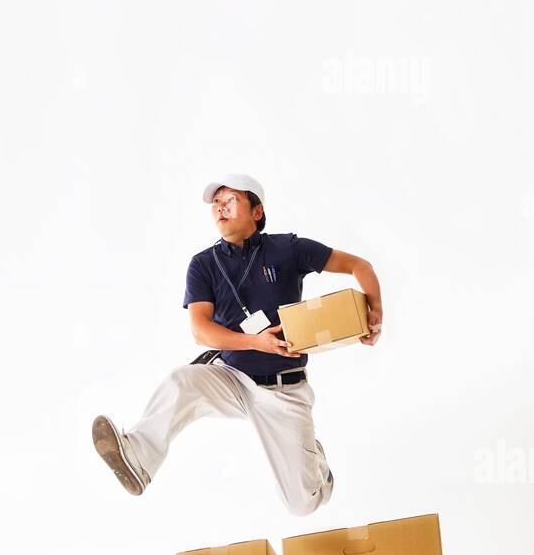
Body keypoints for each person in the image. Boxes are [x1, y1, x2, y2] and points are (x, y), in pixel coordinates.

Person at [92, 172, 382, 514]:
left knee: (302, 505)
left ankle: (316, 466)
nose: (220, 209)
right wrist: (255, 342)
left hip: (285, 390)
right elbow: (201, 330)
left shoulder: (288, 249)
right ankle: (138, 456)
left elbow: (358, 266)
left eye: (230, 201)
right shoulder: (203, 265)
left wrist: (373, 313)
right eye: (216, 203)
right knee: (181, 380)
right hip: (232, 378)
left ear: (256, 212)